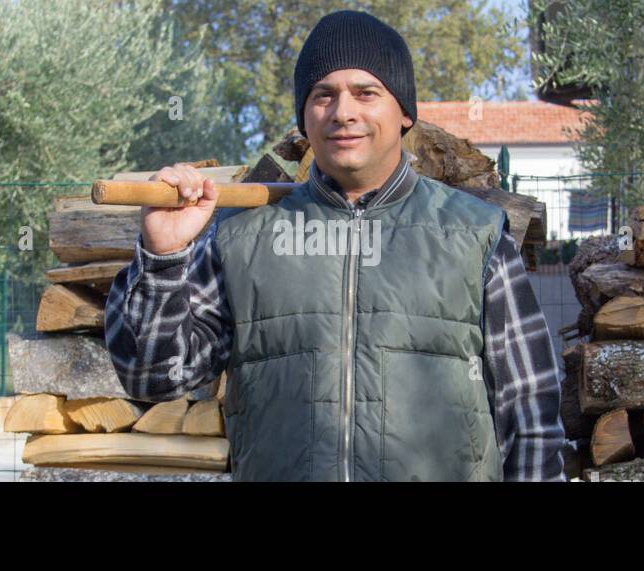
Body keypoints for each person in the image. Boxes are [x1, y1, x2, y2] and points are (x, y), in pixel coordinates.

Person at [104, 10, 565, 481]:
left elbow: (528, 414)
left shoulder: (476, 235)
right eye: (323, 94)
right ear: (304, 117)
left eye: (366, 92)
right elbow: (153, 377)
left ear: (404, 112)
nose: (343, 112)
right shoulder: (242, 236)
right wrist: (163, 256)